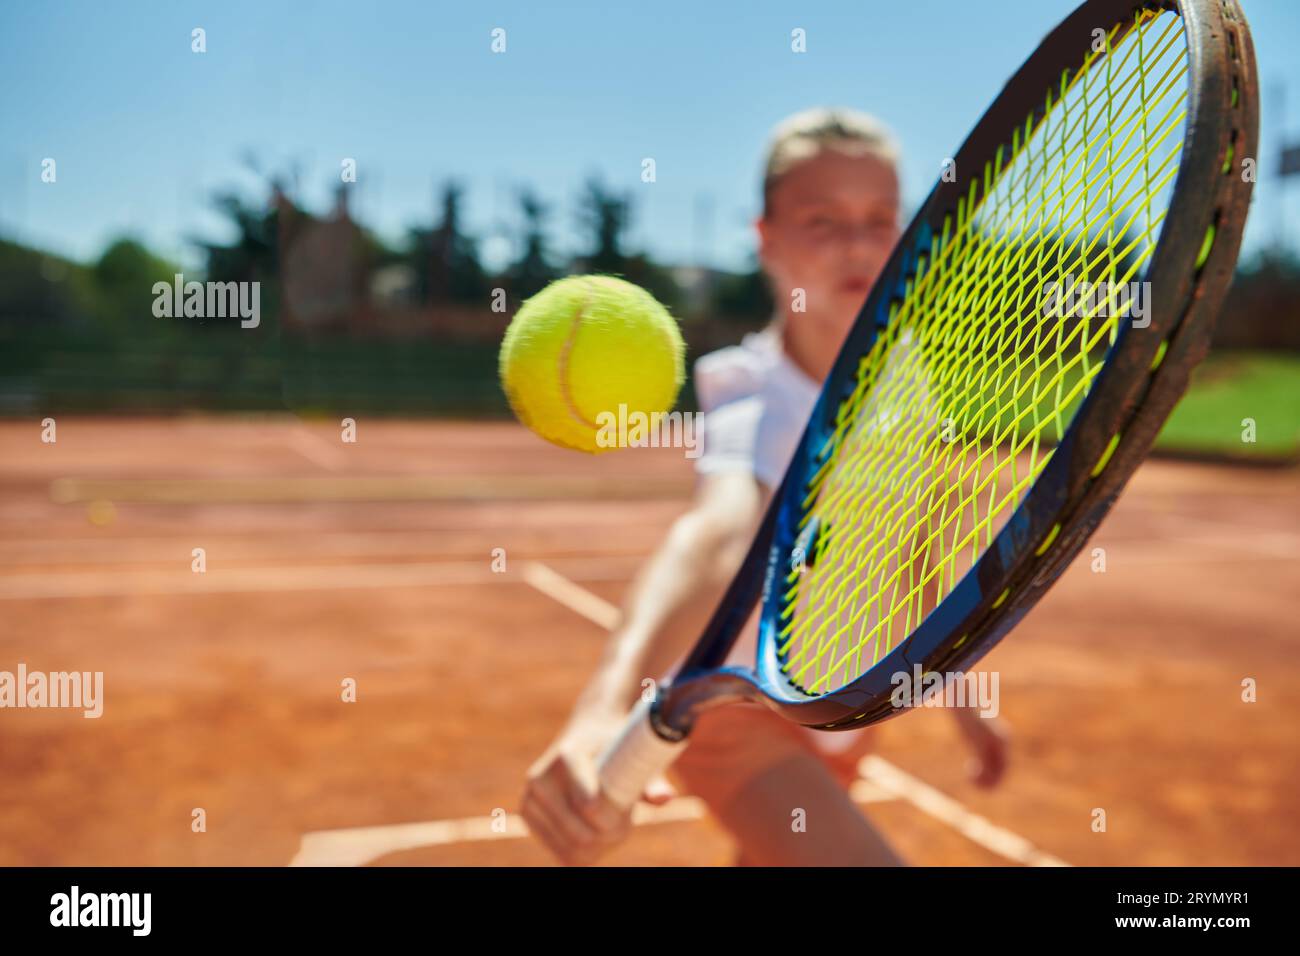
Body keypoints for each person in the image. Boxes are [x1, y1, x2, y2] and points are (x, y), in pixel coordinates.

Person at [521, 107, 1009, 866]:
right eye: (822, 220)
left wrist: (966, 702)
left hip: (846, 703)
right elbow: (715, 532)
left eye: (880, 219)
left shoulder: (910, 385)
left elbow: (918, 562)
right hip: (735, 708)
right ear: (766, 240)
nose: (856, 243)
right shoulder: (748, 389)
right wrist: (603, 707)